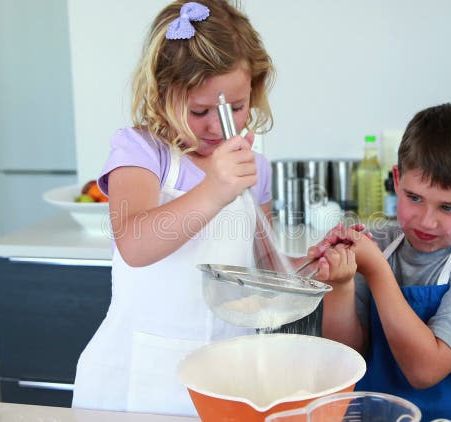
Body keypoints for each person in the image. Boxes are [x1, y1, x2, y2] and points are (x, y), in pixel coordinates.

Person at [72, 1, 277, 415]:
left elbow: (267, 267)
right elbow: (134, 243)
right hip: (141, 377)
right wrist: (215, 188)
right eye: (201, 111)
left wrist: (311, 263)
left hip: (226, 371)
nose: (220, 127)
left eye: (235, 107)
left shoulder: (253, 168)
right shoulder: (142, 153)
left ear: (254, 90)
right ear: (162, 93)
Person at [315, 103, 451, 421]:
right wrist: (340, 284)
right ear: (396, 179)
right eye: (414, 198)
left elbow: (424, 371)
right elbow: (346, 357)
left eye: (448, 208)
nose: (426, 221)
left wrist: (376, 270)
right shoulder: (378, 242)